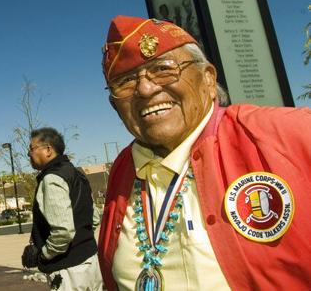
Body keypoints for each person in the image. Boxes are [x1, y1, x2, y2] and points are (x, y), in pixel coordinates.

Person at [98, 15, 311, 290]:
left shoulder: (289, 135)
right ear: (115, 105)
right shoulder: (121, 170)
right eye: (125, 81)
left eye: (163, 69)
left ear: (208, 79)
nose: (145, 89)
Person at [22, 128, 102, 290]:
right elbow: (94, 218)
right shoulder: (77, 174)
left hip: (68, 271)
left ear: (48, 150)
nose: (28, 154)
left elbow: (63, 232)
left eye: (31, 149)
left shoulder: (52, 178)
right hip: (91, 263)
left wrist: (43, 255)